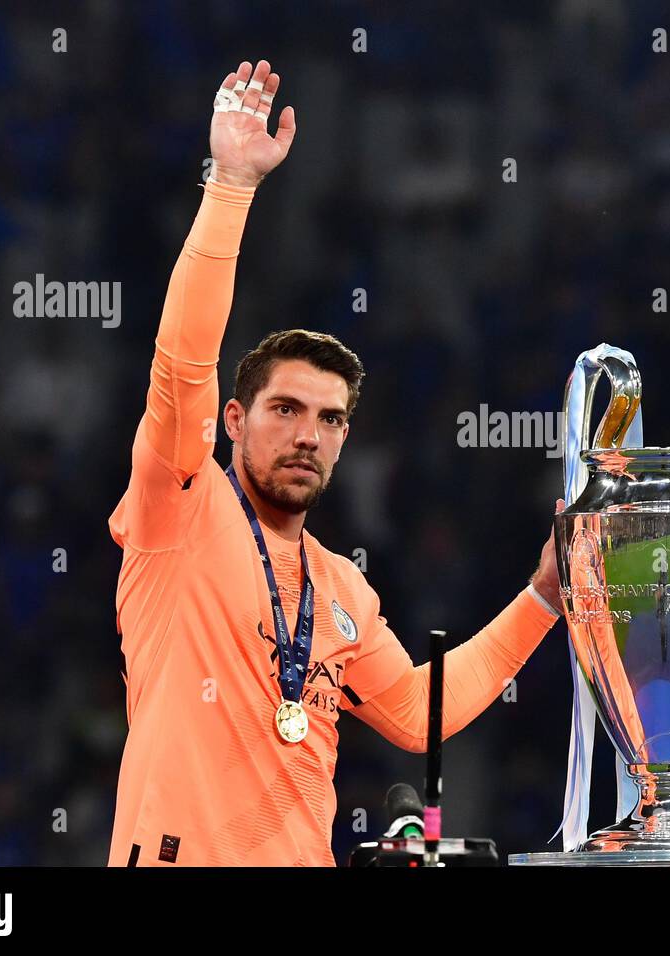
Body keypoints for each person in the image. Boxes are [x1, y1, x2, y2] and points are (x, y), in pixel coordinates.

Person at [106, 58, 564, 866]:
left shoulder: (340, 587)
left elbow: (423, 710)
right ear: (235, 420)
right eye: (286, 411)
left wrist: (543, 597)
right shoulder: (181, 506)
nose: (308, 435)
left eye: (329, 419)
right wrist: (232, 188)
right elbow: (182, 364)